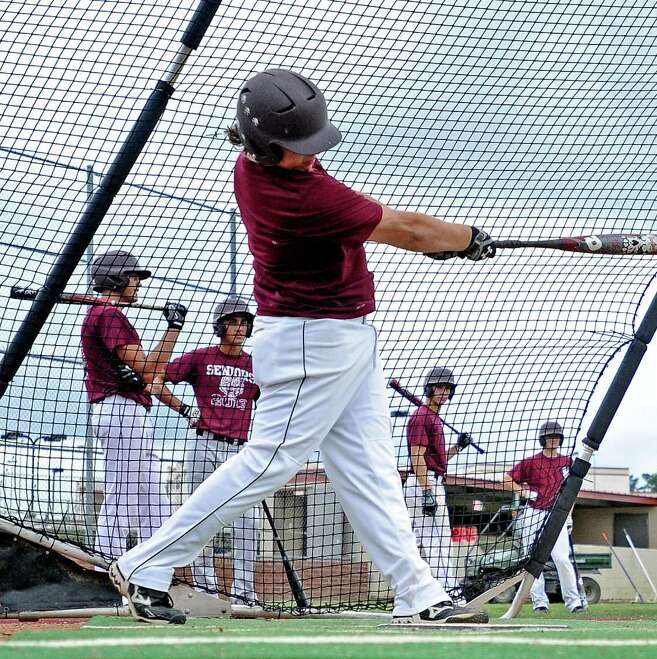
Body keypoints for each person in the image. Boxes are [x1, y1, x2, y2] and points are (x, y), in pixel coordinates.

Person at [110, 68, 494, 625]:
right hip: (312, 341)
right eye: (298, 148)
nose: (312, 156)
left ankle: (418, 592)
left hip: (347, 338)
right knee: (269, 460)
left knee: (369, 469)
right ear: (266, 148)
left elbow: (392, 227)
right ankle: (147, 564)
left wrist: (448, 243)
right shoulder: (303, 197)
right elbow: (409, 230)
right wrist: (466, 240)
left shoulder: (260, 162)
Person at [150, 295, 260, 605]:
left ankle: (244, 595)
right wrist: (184, 409)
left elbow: (272, 401)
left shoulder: (256, 364)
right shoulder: (201, 357)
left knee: (246, 523)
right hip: (204, 443)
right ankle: (206, 590)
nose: (239, 328)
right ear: (220, 325)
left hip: (241, 450)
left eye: (244, 323)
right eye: (233, 322)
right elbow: (156, 378)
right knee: (201, 516)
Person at [81, 249, 187, 560]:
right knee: (124, 495)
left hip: (127, 410)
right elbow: (149, 368)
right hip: (120, 410)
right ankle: (106, 569)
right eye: (132, 277)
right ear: (115, 278)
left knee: (152, 496)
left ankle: (154, 568)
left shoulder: (106, 313)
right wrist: (173, 328)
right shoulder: (107, 314)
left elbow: (142, 373)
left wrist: (138, 376)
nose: (138, 283)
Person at [503, 421, 586, 613]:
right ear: (543, 439)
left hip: (557, 515)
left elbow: (571, 491)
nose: (553, 440)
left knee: (562, 558)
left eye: (556, 436)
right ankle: (539, 601)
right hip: (533, 513)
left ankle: (573, 602)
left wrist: (569, 516)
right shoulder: (531, 462)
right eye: (549, 436)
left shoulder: (567, 462)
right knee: (531, 559)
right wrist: (525, 492)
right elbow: (506, 479)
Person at [405, 366, 474, 594]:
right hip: (424, 483)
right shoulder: (422, 416)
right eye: (440, 387)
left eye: (447, 388)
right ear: (429, 388)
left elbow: (438, 460)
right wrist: (427, 491)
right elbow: (417, 457)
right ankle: (447, 593)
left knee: (430, 543)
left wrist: (458, 447)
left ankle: (427, 592)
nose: (444, 392)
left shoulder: (432, 417)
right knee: (437, 543)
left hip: (431, 481)